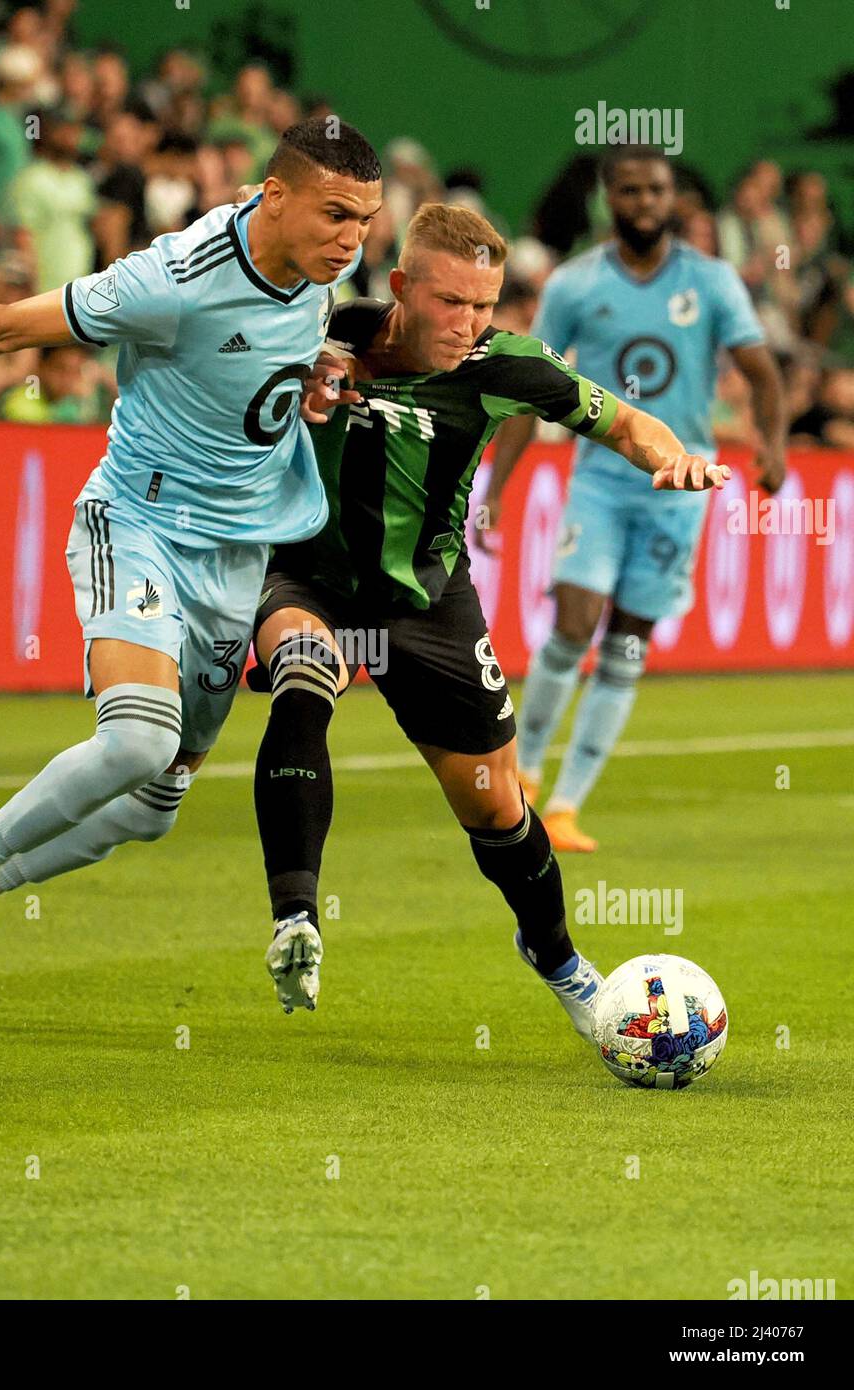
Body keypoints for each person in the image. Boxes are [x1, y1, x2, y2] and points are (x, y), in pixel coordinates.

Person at [0, 117, 383, 1017]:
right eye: (337, 215)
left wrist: (310, 371)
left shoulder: (316, 264)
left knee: (155, 806)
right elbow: (5, 328)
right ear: (274, 197)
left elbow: (268, 345)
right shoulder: (171, 282)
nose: (353, 240)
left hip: (237, 555)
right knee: (138, 738)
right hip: (140, 520)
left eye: (366, 220)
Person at [248, 201, 729, 1028]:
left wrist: (671, 459)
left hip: (427, 603)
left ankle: (557, 957)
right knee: (302, 670)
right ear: (402, 286)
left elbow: (621, 420)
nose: (470, 322)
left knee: (496, 806)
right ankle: (296, 918)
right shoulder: (322, 329)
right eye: (451, 302)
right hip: (308, 580)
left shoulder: (505, 366)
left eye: (485, 305)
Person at [479, 146, 785, 852]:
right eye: (630, 190)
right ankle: (522, 773)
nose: (644, 202)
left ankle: (566, 807)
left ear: (673, 197)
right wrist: (497, 486)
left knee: (626, 643)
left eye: (656, 190)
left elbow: (762, 373)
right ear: (607, 199)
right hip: (602, 481)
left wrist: (771, 445)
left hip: (682, 487)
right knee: (574, 620)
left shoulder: (711, 282)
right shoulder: (576, 285)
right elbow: (533, 387)